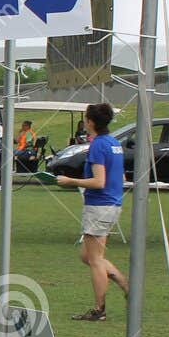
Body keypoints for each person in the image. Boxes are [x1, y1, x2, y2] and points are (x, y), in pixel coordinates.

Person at [56, 102, 129, 322]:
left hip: (99, 206)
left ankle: (99, 310)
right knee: (87, 255)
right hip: (111, 205)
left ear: (90, 122)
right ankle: (126, 286)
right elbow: (121, 178)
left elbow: (99, 181)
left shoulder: (98, 145)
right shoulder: (114, 143)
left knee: (95, 259)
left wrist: (70, 180)